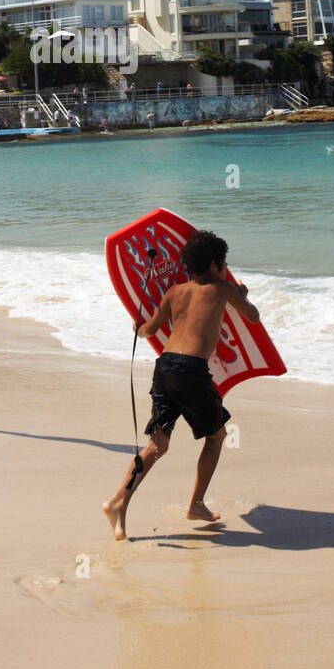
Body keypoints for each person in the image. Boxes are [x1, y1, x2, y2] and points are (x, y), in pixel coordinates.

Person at [103, 229, 259, 541]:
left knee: (157, 444)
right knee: (216, 436)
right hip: (191, 370)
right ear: (216, 264)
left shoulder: (173, 292)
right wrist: (242, 295)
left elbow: (148, 331)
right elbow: (253, 317)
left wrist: (139, 326)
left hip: (165, 367)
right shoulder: (223, 288)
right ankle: (197, 504)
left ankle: (118, 501)